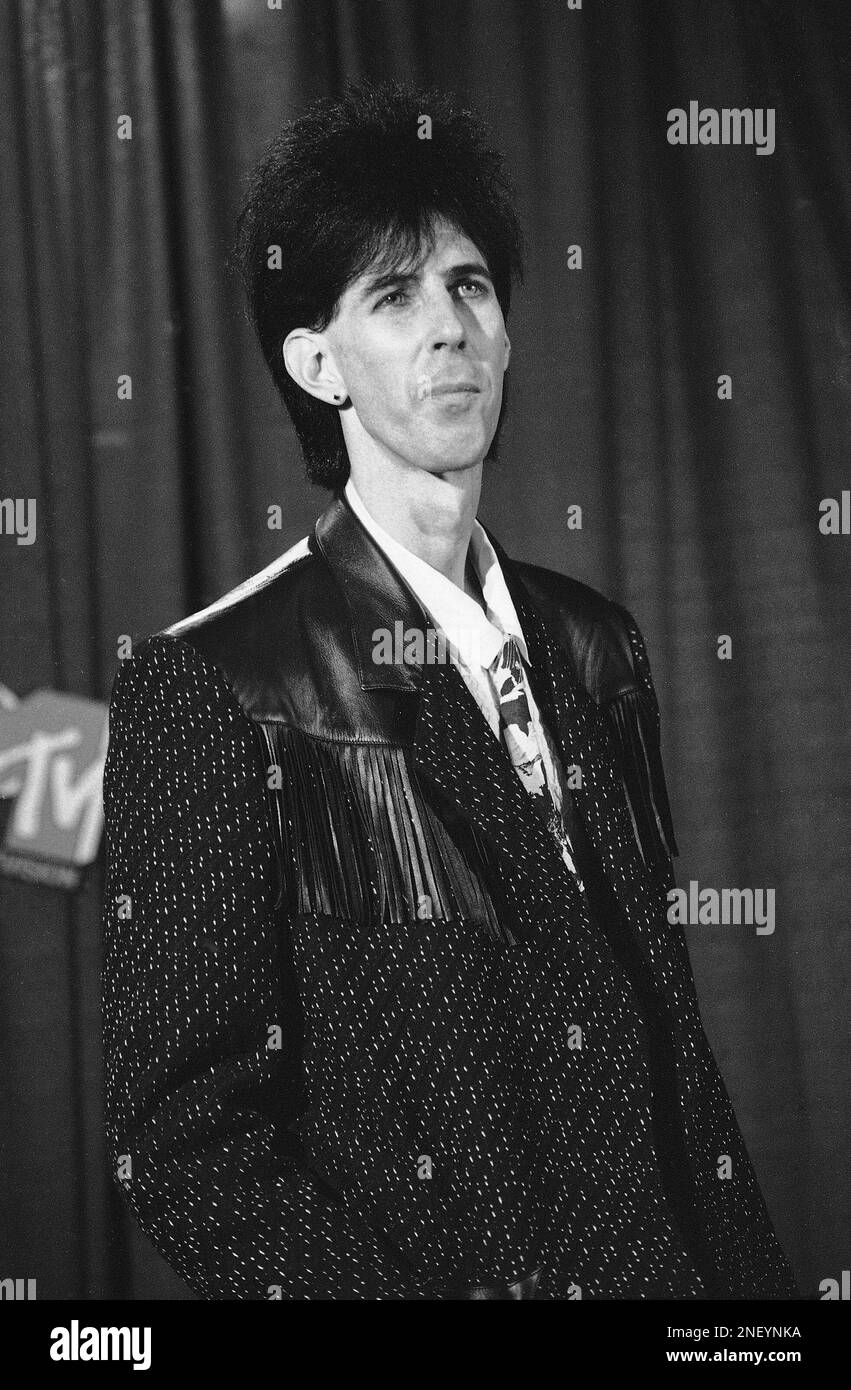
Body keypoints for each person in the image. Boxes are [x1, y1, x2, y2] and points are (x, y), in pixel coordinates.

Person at [101, 80, 798, 1300]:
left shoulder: (593, 646)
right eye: (393, 294)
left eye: (467, 285)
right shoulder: (211, 686)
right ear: (316, 362)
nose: (447, 327)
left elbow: (667, 1052)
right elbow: (186, 1147)